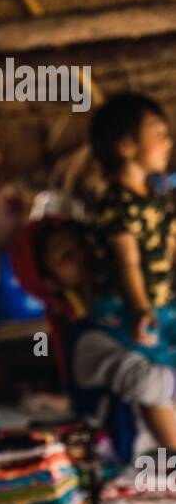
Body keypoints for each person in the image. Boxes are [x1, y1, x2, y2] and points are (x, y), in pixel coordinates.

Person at [11, 215, 176, 459]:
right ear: (51, 282)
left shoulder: (152, 307)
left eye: (85, 244)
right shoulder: (85, 338)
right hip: (147, 462)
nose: (82, 255)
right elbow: (148, 385)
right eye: (66, 256)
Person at [88, 94, 176, 444]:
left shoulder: (156, 200)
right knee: (155, 383)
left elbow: (171, 250)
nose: (168, 140)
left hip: (161, 308)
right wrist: (139, 309)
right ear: (126, 146)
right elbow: (128, 263)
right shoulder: (117, 204)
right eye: (157, 131)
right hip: (126, 310)